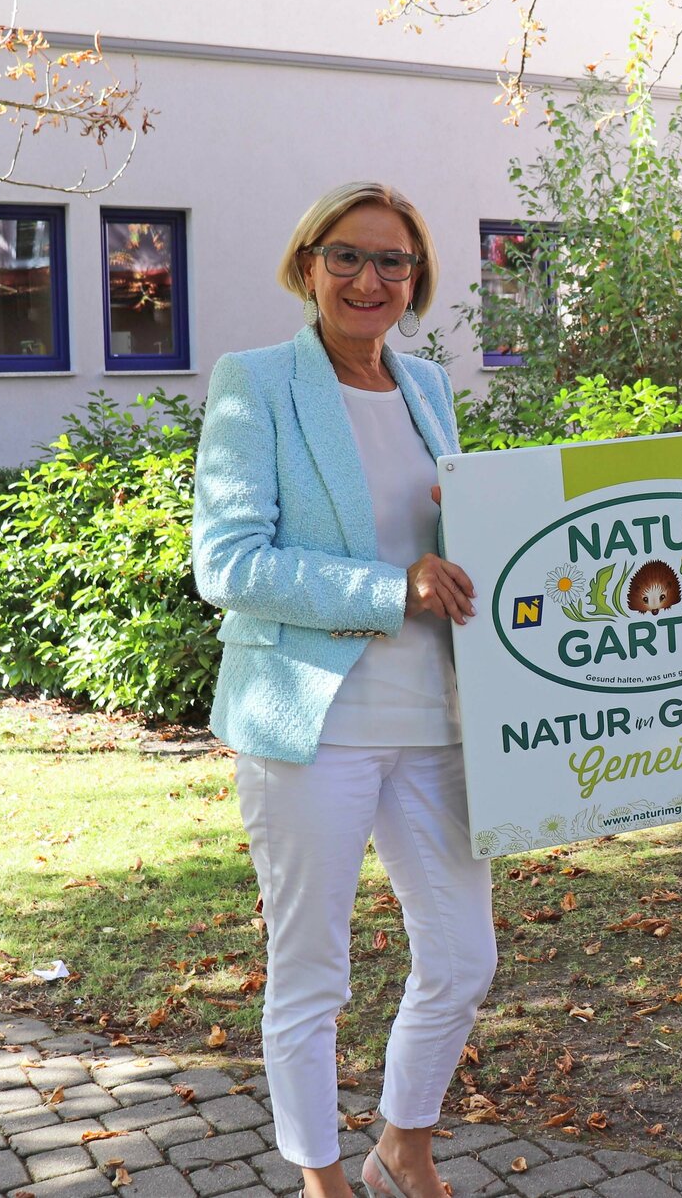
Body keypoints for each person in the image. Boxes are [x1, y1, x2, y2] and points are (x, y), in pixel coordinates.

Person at [192, 183, 489, 1198]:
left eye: (392, 262)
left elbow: (440, 545)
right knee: (313, 971)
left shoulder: (428, 389)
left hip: (435, 718)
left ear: (417, 280)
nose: (370, 279)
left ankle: (403, 1139)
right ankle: (322, 1177)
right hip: (310, 720)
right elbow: (227, 563)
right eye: (348, 257)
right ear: (307, 264)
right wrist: (386, 588)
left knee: (463, 955)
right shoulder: (257, 382)